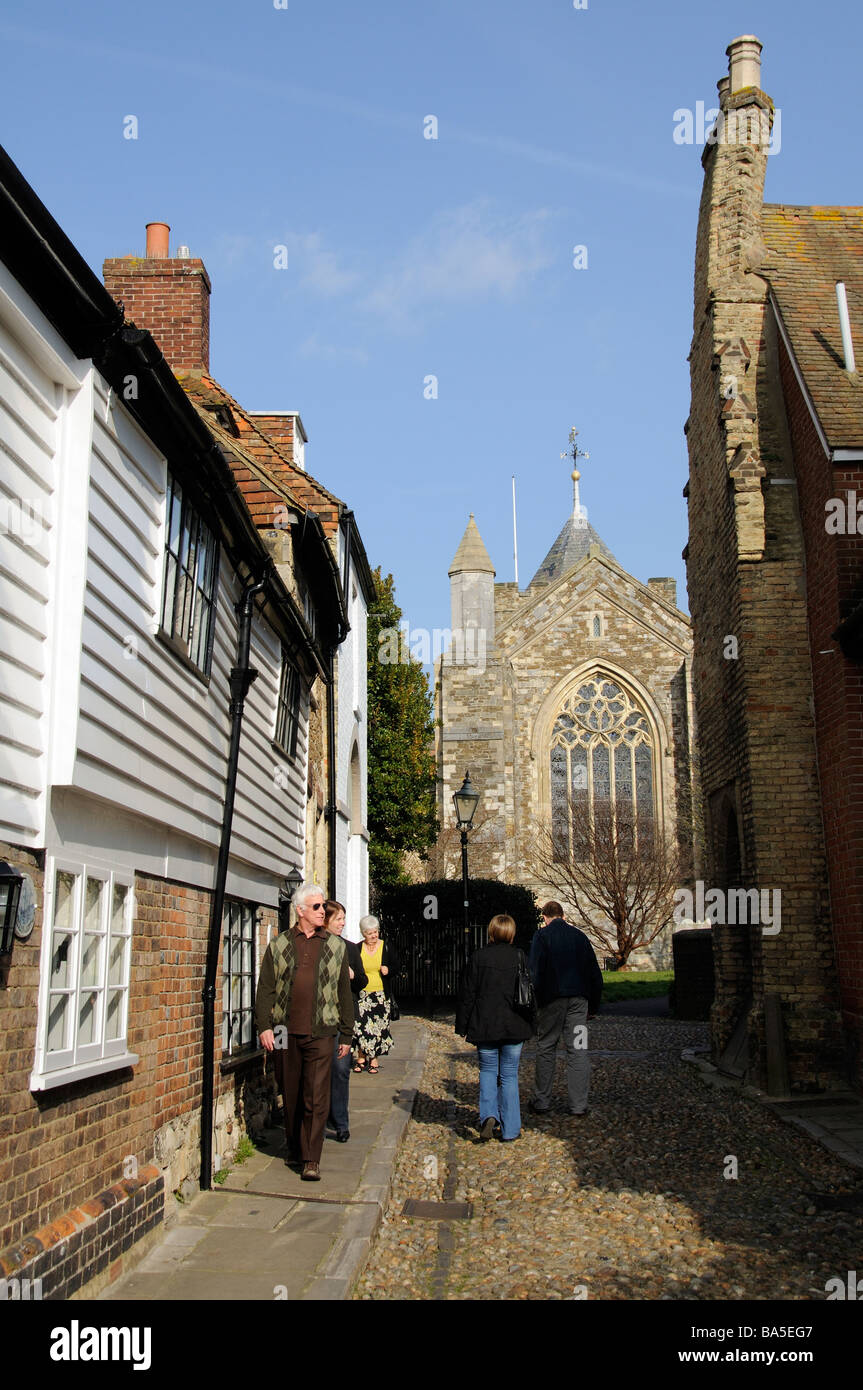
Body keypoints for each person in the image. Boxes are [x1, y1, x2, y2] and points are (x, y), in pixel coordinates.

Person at [255, 883, 353, 1181]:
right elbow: (266, 990)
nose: (323, 911)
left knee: (316, 1095)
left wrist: (346, 1034)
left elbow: (343, 993)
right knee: (292, 1092)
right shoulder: (280, 944)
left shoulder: (336, 947)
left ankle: (312, 1158)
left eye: (323, 906)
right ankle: (296, 1150)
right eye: (317, 907)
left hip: (323, 1030)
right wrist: (264, 1027)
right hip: (285, 1031)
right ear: (300, 911)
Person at [455, 914, 534, 1142]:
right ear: (511, 933)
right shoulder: (520, 956)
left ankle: (489, 1115)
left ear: (491, 932)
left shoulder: (479, 957)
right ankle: (510, 1129)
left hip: (485, 1025)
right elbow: (529, 993)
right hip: (513, 1025)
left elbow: (468, 994)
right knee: (509, 1076)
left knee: (488, 1072)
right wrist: (532, 1023)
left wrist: (463, 1024)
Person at [529, 899, 603, 1117]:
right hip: (579, 1002)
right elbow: (595, 975)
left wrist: (536, 1004)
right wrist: (593, 1007)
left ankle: (542, 1101)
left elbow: (535, 973)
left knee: (546, 1047)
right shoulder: (580, 937)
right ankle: (578, 1105)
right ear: (563, 916)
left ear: (545, 917)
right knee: (578, 1050)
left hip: (552, 1001)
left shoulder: (541, 936)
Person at [324, 899, 367, 1143]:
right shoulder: (318, 947)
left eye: (343, 919)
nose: (342, 923)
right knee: (321, 1073)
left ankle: (341, 1123)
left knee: (341, 1071)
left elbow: (362, 981)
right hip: (320, 1020)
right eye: (338, 919)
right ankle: (322, 1120)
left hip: (343, 1019)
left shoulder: (350, 949)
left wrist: (352, 975)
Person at [352, 915, 397, 1074]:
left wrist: (388, 970)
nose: (374, 936)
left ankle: (374, 1059)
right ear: (364, 933)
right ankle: (361, 1057)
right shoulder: (357, 949)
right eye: (370, 933)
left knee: (378, 1028)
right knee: (361, 1028)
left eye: (376, 932)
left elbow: (397, 966)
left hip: (380, 995)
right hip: (363, 994)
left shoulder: (386, 947)